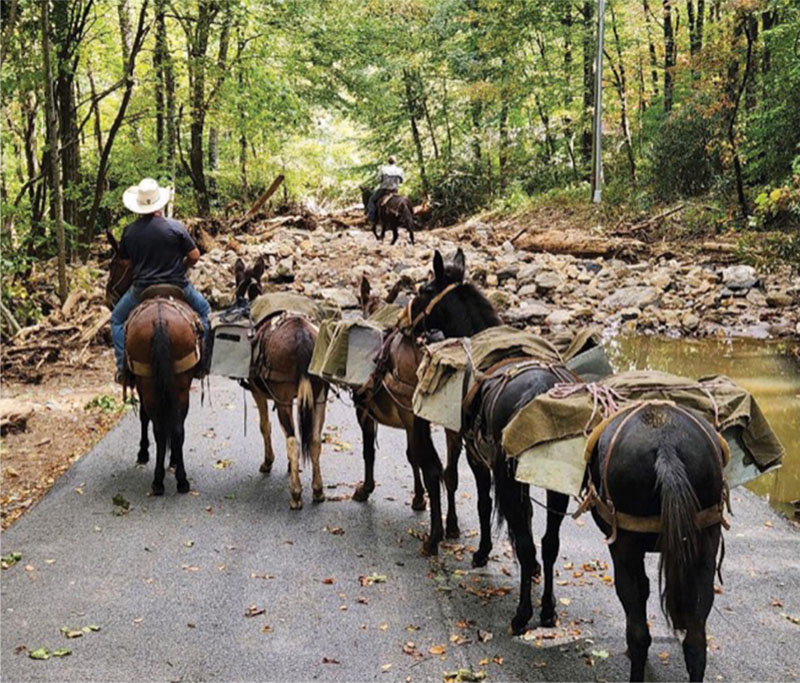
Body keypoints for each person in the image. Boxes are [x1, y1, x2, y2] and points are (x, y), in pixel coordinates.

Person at [110, 177, 211, 384]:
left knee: (117, 320)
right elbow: (194, 255)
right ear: (159, 203)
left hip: (141, 288)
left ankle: (122, 368)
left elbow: (126, 264)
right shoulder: (176, 227)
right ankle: (204, 363)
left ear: (139, 206)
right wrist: (182, 267)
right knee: (205, 312)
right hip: (177, 285)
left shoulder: (129, 232)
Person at [367, 156, 404, 227]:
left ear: (388, 161)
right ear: (395, 161)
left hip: (384, 190)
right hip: (395, 190)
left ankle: (372, 218)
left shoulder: (383, 169)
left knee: (371, 200)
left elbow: (379, 180)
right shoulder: (399, 170)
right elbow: (402, 181)